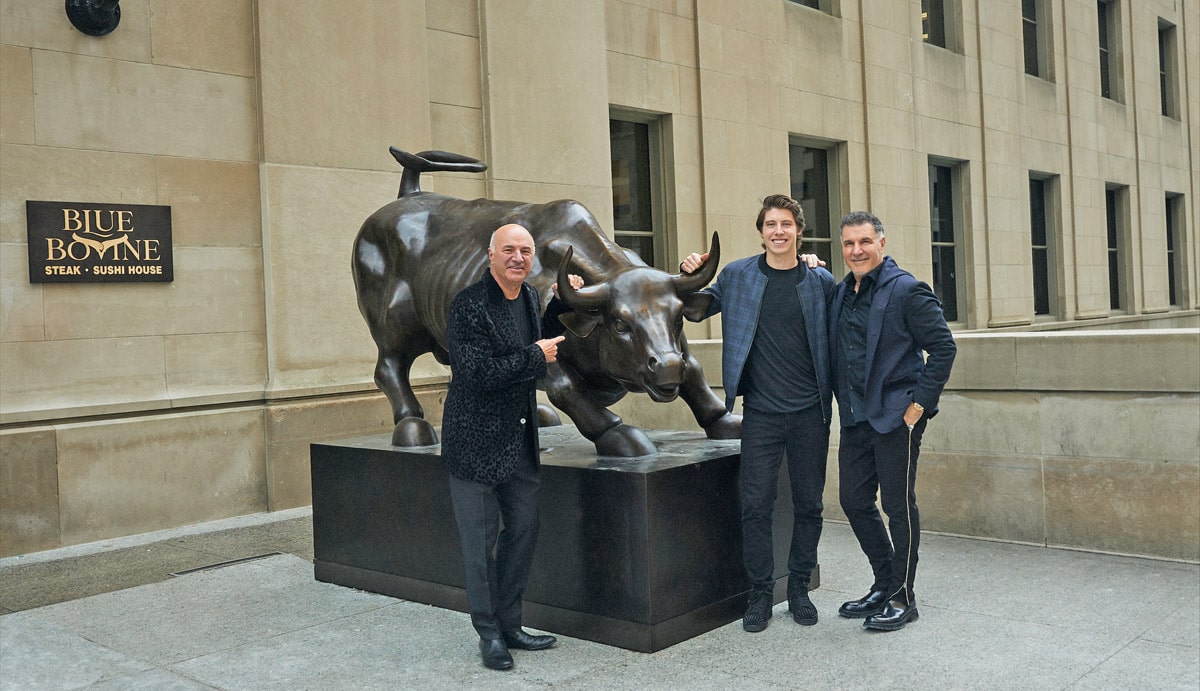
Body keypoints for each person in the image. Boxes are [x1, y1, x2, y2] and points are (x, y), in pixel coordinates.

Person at [681, 194, 836, 633]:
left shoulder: (819, 282)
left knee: (808, 505)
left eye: (786, 224)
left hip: (811, 412)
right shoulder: (737, 276)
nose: (779, 231)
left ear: (799, 231)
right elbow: (694, 310)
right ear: (762, 231)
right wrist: (688, 273)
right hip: (762, 414)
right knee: (754, 505)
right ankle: (761, 594)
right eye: (771, 224)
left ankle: (800, 589)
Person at [441, 223, 576, 670]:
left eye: (525, 250)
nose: (518, 257)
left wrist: (560, 301)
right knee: (479, 546)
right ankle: (489, 635)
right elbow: (477, 372)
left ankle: (512, 624)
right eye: (509, 250)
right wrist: (536, 357)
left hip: (518, 442)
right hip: (474, 444)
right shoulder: (468, 305)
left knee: (522, 533)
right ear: (490, 255)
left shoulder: (532, 298)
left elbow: (541, 339)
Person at [829, 210, 956, 632]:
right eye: (848, 243)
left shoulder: (907, 289)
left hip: (896, 417)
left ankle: (904, 597)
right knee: (853, 499)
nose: (856, 250)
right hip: (855, 418)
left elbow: (943, 348)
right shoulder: (843, 292)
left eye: (864, 241)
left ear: (881, 243)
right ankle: (884, 583)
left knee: (898, 506)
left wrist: (918, 406)